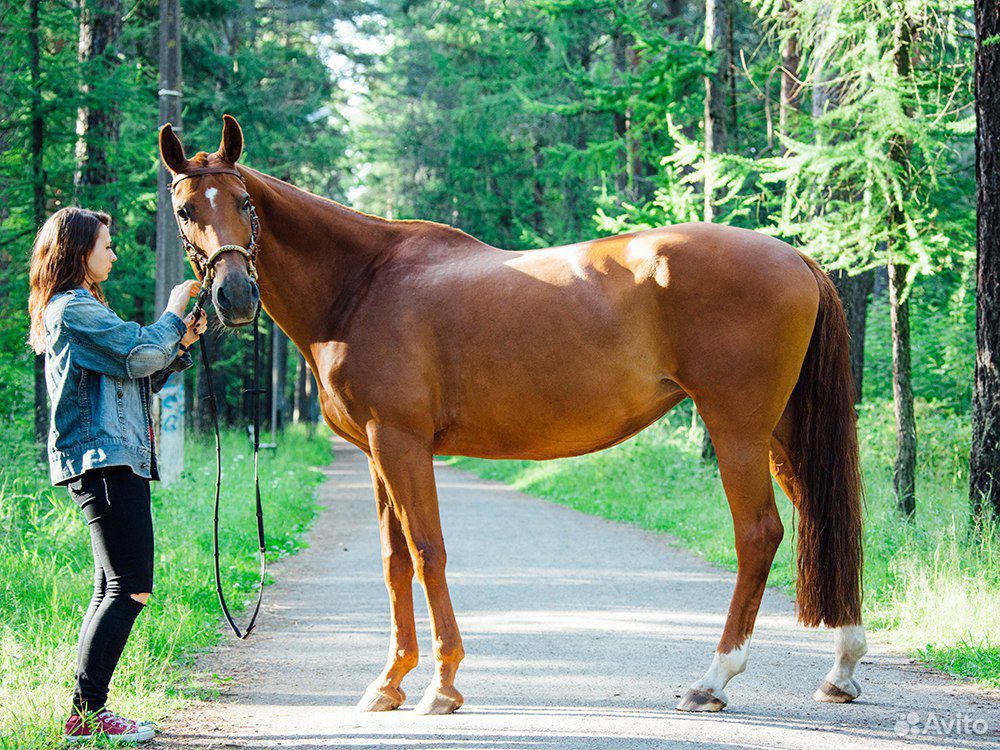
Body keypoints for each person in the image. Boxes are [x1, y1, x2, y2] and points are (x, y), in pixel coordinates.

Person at [27, 207, 208, 744]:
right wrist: (175, 313)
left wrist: (180, 348)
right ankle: (86, 713)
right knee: (130, 588)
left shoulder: (83, 309)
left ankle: (84, 713)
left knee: (116, 585)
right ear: (78, 251)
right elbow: (140, 351)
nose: (113, 253)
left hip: (115, 457)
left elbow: (138, 376)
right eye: (106, 245)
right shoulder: (73, 310)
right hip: (102, 460)